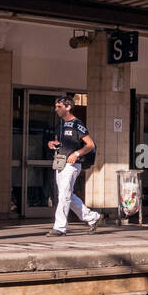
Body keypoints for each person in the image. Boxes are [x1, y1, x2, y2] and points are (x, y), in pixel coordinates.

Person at [46, 94, 103, 236]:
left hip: (72, 164)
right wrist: (53, 144)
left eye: (59, 107)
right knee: (66, 194)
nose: (56, 109)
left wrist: (76, 154)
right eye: (56, 106)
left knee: (64, 195)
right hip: (60, 162)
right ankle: (92, 217)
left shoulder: (77, 124)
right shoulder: (61, 125)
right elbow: (62, 143)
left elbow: (90, 144)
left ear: (68, 107)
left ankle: (60, 227)